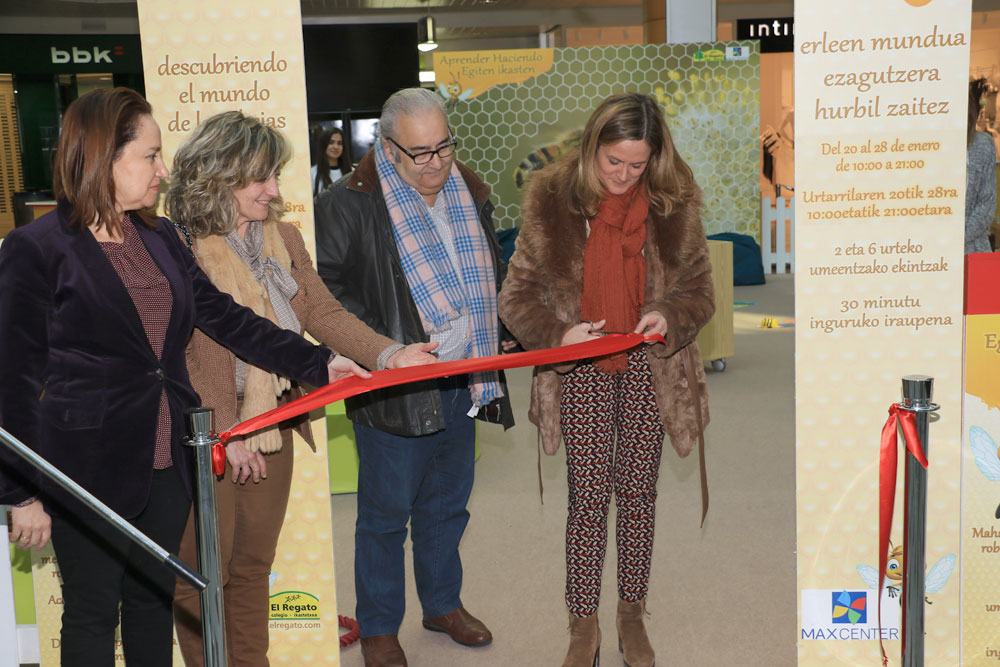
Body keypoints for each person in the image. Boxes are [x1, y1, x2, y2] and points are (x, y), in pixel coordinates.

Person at [0, 88, 364, 666]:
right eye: (149, 156)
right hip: (85, 465)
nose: (162, 171)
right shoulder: (36, 248)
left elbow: (224, 318)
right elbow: (14, 379)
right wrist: (20, 493)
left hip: (169, 458)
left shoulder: (159, 236)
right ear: (102, 157)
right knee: (93, 615)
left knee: (150, 604)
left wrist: (315, 362)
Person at [165, 111, 438, 666]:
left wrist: (388, 353)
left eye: (276, 175)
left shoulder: (283, 237)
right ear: (218, 176)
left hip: (276, 422)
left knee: (251, 568)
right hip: (208, 433)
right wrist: (222, 434)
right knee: (199, 574)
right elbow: (175, 357)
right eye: (261, 178)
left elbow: (324, 312)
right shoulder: (176, 247)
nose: (275, 190)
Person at [498, 92, 714, 667]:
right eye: (612, 161)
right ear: (592, 146)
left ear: (655, 159)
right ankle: (582, 621)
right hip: (582, 371)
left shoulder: (675, 201)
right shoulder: (550, 198)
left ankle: (630, 612)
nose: (623, 176)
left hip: (652, 370)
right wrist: (558, 334)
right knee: (589, 498)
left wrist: (668, 314)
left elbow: (699, 292)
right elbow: (515, 297)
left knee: (640, 495)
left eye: (636, 165)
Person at [314, 87, 514, 667]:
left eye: (444, 147)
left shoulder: (470, 190)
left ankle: (442, 603)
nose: (436, 164)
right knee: (384, 515)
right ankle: (379, 625)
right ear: (388, 148)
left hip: (466, 375)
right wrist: (386, 348)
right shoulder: (348, 203)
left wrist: (500, 326)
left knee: (449, 505)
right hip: (395, 385)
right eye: (420, 153)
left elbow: (489, 271)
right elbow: (325, 294)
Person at [966, 77, 997, 253]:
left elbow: (986, 202)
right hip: (933, 252)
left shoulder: (982, 144)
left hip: (972, 250)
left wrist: (957, 235)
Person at [312, 126, 352, 196]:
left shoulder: (352, 172)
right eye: (331, 142)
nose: (336, 147)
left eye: (339, 143)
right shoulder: (312, 173)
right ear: (323, 145)